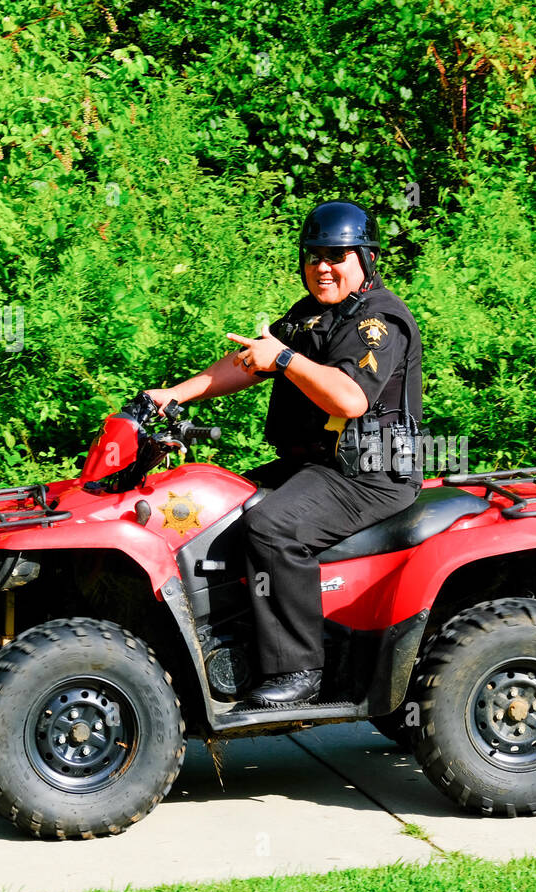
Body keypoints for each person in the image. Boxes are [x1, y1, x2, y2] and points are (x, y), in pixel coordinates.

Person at [148, 200, 423, 706]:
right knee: (213, 517)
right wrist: (172, 395)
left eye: (337, 255)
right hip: (319, 465)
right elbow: (250, 361)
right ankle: (233, 650)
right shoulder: (309, 314)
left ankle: (298, 671)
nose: (322, 266)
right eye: (313, 255)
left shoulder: (378, 322)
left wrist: (287, 359)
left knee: (271, 527)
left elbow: (349, 397)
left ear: (365, 258)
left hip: (369, 472)